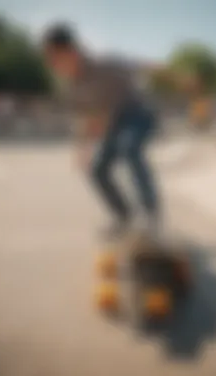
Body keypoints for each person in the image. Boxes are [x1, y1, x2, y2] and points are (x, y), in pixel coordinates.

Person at [42, 23, 160, 238]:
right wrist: (83, 149)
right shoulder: (70, 88)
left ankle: (151, 215)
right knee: (96, 170)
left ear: (71, 51)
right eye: (50, 61)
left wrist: (176, 74)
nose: (53, 65)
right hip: (112, 123)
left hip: (138, 114)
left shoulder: (104, 64)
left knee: (129, 148)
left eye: (56, 58)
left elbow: (139, 65)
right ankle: (123, 217)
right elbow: (87, 120)